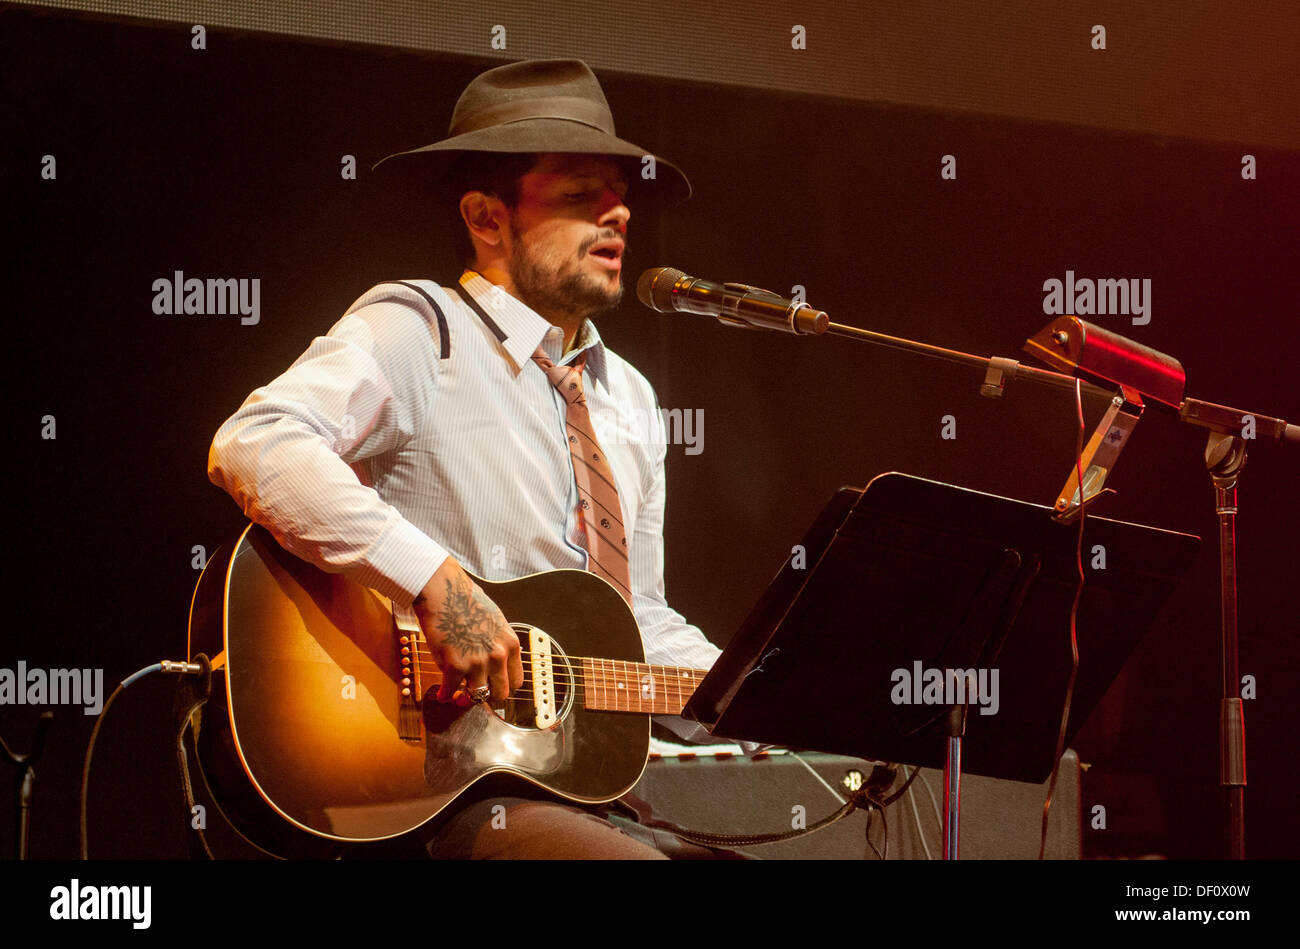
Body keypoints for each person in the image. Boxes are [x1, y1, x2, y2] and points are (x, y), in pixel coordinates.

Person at [207, 59, 746, 859]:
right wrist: (435, 581)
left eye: (619, 193)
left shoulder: (628, 397)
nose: (619, 212)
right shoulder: (419, 331)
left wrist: (753, 693)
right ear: (487, 218)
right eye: (578, 194)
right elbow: (256, 440)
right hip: (441, 786)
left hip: (582, 789)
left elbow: (639, 622)